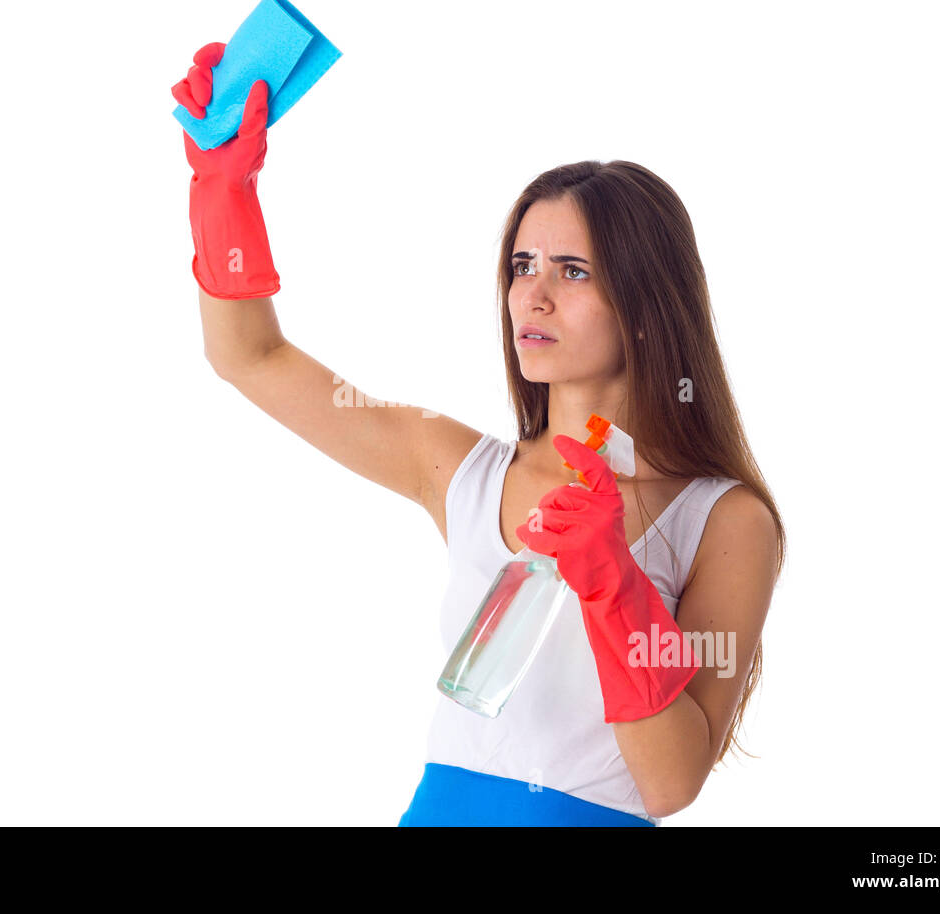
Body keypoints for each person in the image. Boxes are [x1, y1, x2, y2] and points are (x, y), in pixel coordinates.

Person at [173, 42, 785, 826]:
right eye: (522, 264)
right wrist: (222, 192)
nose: (530, 296)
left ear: (646, 301)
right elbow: (250, 357)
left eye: (572, 271)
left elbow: (671, 784)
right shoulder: (455, 466)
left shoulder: (724, 521)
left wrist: (613, 586)